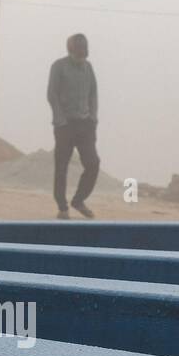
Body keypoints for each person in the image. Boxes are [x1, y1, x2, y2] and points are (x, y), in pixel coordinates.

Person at [46, 33, 99, 219]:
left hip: (85, 125)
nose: (81, 56)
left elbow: (93, 93)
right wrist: (60, 120)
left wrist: (93, 118)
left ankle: (79, 200)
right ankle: (62, 206)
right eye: (78, 52)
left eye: (84, 52)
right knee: (62, 166)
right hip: (65, 125)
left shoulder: (88, 68)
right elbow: (52, 94)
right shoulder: (59, 67)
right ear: (71, 50)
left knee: (93, 164)